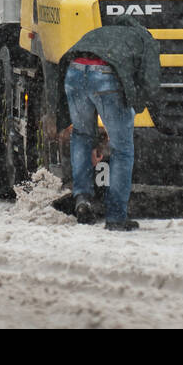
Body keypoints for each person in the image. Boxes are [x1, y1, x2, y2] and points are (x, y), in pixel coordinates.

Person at [61, 15, 161, 231]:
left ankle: (82, 199)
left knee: (81, 135)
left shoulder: (102, 32)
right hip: (106, 76)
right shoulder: (144, 39)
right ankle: (116, 217)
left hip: (74, 72)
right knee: (122, 149)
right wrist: (137, 104)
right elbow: (151, 84)